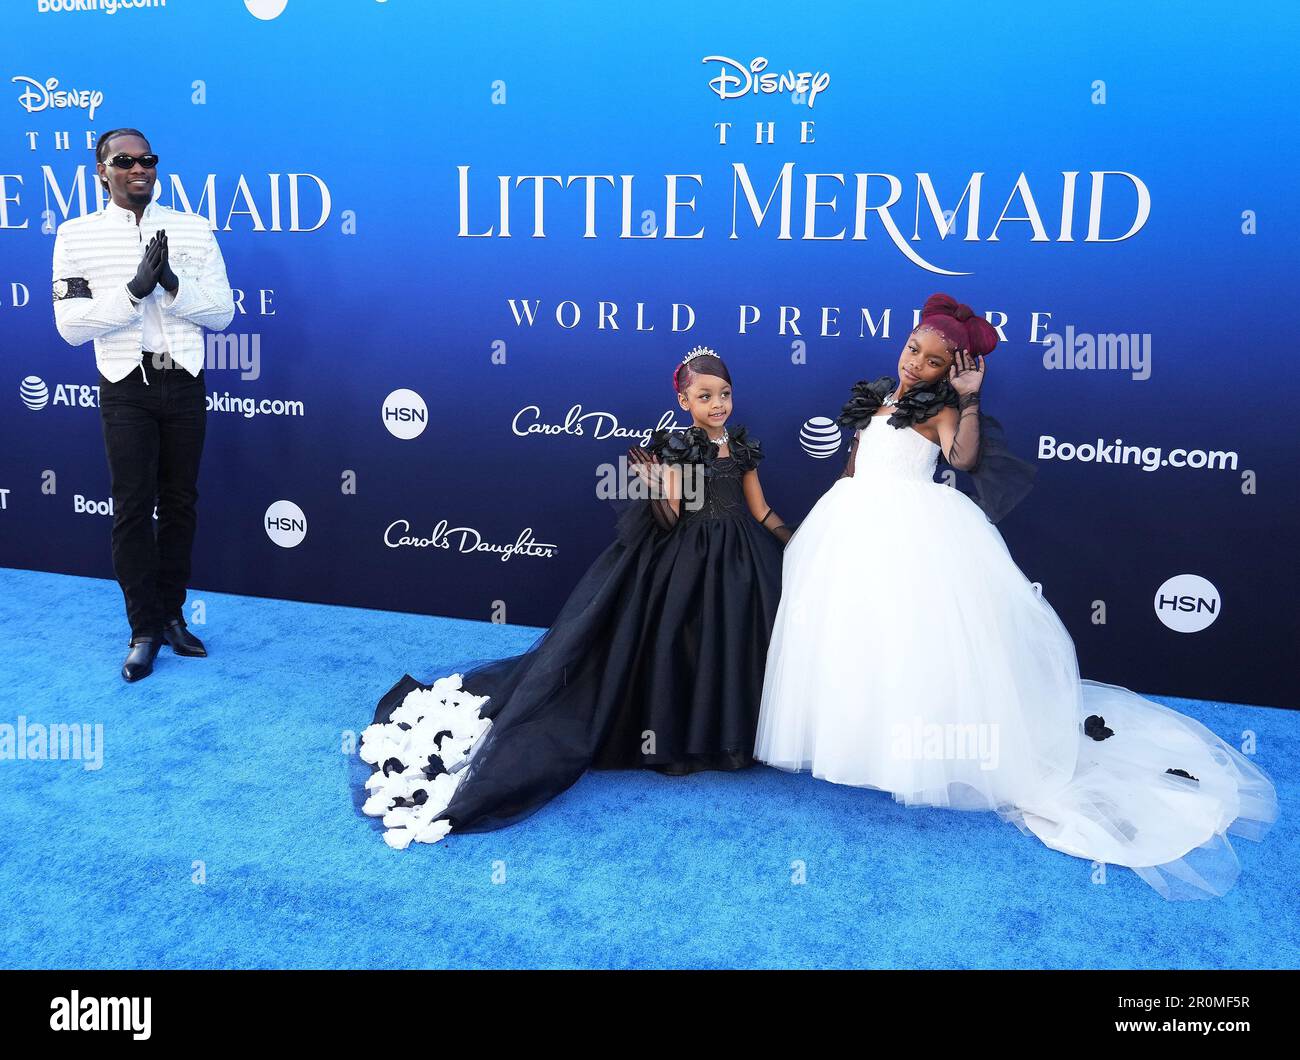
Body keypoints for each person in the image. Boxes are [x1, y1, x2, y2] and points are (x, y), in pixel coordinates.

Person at [755, 293, 1278, 900]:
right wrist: (836, 507)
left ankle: (908, 753)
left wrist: (970, 400)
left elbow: (963, 457)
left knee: (908, 639)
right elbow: (856, 460)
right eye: (911, 349)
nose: (913, 363)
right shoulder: (876, 396)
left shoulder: (942, 406)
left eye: (929, 361)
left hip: (910, 528)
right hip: (850, 521)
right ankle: (848, 738)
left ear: (949, 371)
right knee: (852, 633)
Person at [359, 347, 792, 848]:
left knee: (737, 640)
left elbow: (760, 510)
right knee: (688, 639)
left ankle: (734, 738)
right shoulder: (677, 449)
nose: (717, 404)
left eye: (724, 395)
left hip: (742, 560)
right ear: (683, 400)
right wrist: (656, 487)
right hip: (689, 562)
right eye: (704, 396)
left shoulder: (741, 449)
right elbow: (671, 519)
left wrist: (794, 541)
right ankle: (682, 741)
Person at [51, 128, 235, 682]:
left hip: (182, 380)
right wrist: (134, 291)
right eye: (124, 160)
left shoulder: (193, 228)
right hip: (124, 385)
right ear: (100, 171)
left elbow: (222, 314)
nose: (139, 168)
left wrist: (173, 283)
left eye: (148, 159)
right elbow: (71, 327)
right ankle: (143, 630)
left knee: (180, 503)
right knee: (133, 507)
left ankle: (173, 616)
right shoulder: (76, 235)